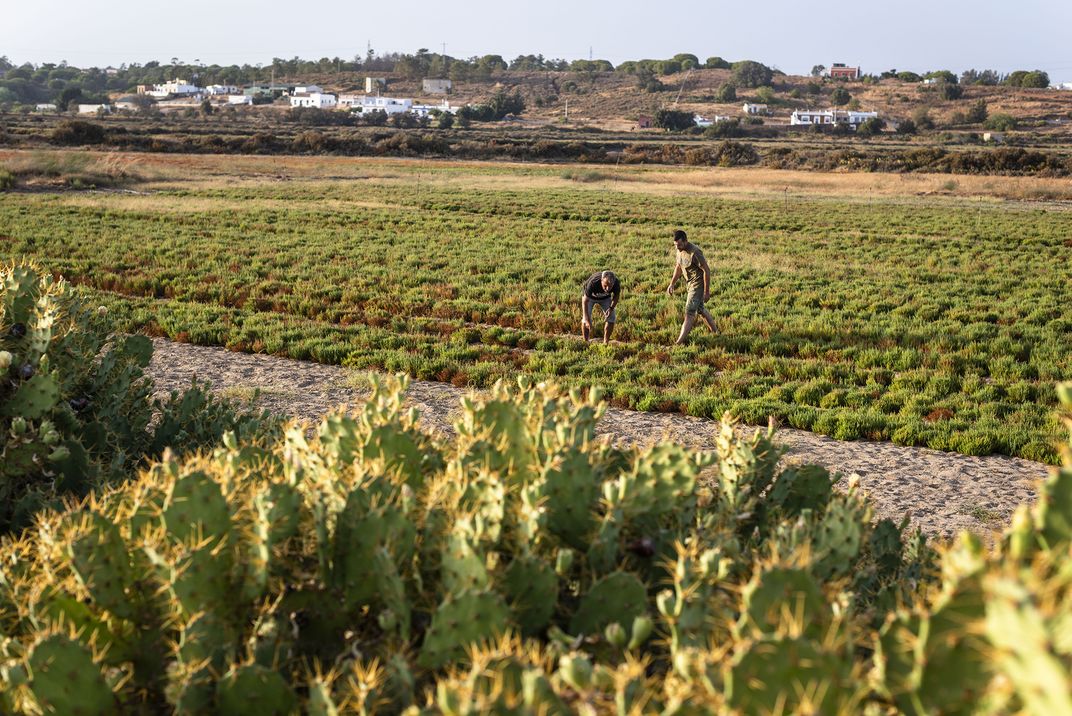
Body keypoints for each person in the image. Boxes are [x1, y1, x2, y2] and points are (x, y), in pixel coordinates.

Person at [666, 229, 716, 344]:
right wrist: (672, 284)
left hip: (697, 285)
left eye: (679, 245)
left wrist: (707, 292)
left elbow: (706, 271)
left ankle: (678, 343)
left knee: (689, 313)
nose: (677, 248)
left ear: (686, 241)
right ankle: (716, 332)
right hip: (689, 284)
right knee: (701, 310)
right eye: (675, 245)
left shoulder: (695, 252)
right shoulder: (679, 251)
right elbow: (678, 267)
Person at [581, 270, 621, 344]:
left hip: (605, 298)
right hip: (590, 298)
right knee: (585, 319)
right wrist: (587, 319)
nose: (608, 289)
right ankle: (585, 341)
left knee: (611, 318)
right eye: (605, 285)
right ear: (601, 280)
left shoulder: (616, 283)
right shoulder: (593, 282)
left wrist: (611, 308)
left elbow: (616, 296)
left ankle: (606, 342)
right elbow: (585, 301)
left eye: (610, 286)